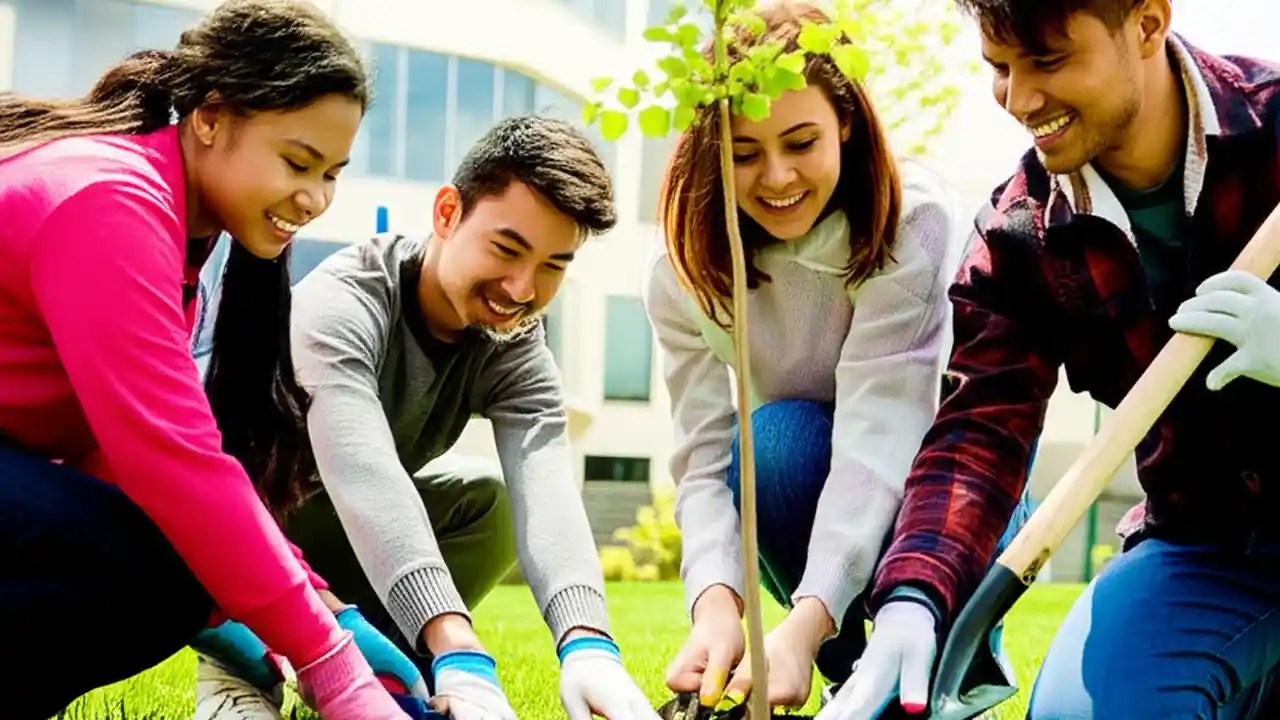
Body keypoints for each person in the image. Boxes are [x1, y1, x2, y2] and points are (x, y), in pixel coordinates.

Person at [817, 0, 1280, 718]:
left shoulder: (1272, 125)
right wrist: (913, 596)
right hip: (1210, 543)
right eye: (1000, 68)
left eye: (1050, 61)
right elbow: (977, 433)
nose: (1020, 99)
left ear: (1149, 23)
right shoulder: (1019, 237)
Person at [0, 0, 410, 719]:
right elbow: (172, 461)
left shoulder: (170, 228)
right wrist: (329, 662)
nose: (314, 198)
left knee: (165, 563)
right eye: (297, 161)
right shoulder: (110, 205)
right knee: (156, 568)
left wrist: (319, 603)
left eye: (333, 173)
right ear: (212, 118)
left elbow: (118, 453)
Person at [191, 115, 661, 720]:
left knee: (484, 505)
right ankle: (239, 667)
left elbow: (545, 479)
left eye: (553, 265)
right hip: (238, 525)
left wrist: (589, 643)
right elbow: (363, 472)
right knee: (302, 501)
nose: (521, 288)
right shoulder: (345, 302)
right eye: (507, 248)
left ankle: (380, 665)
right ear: (447, 214)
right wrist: (459, 645)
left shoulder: (511, 341)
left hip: (343, 538)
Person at [643, 1, 1032, 713]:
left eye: (800, 142)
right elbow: (700, 456)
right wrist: (716, 605)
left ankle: (945, 650)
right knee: (774, 443)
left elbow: (878, 432)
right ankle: (852, 669)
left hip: (946, 489)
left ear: (845, 123)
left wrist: (806, 617)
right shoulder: (683, 273)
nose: (777, 177)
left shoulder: (912, 220)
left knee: (805, 442)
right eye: (744, 153)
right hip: (807, 480)